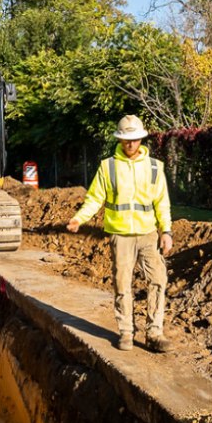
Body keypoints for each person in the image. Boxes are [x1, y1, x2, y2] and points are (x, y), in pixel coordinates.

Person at [66, 115, 174, 353]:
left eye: (134, 139)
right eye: (126, 139)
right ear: (120, 140)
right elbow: (95, 198)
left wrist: (166, 231)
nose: (130, 144)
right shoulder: (108, 167)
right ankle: (126, 332)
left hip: (148, 234)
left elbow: (162, 203)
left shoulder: (155, 167)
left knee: (158, 280)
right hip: (121, 235)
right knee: (122, 283)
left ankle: (154, 332)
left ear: (141, 139)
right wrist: (79, 218)